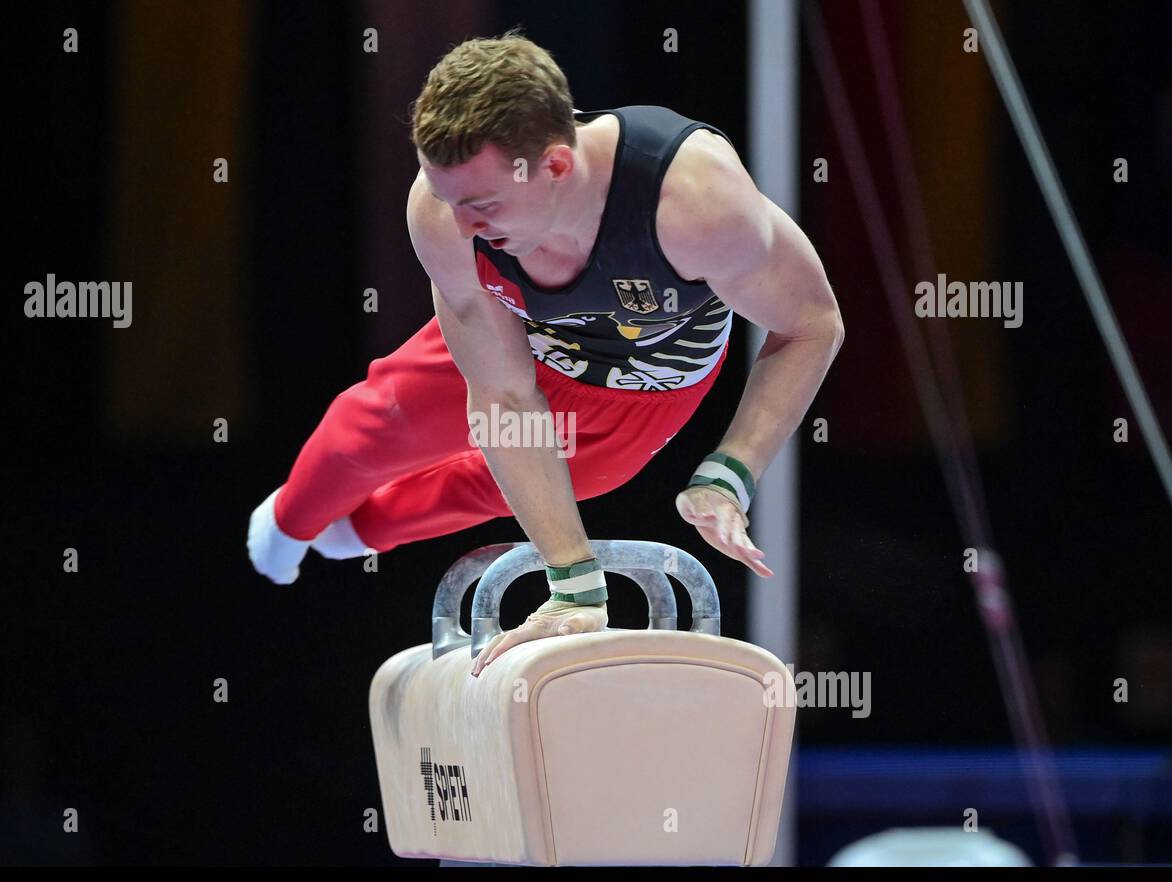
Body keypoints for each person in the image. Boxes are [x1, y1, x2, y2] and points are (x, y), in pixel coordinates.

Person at [248, 29, 843, 676]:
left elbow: (812, 324)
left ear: (555, 166)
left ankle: (360, 533)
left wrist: (732, 471)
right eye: (448, 198)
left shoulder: (696, 204)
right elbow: (504, 398)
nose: (464, 224)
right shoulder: (443, 216)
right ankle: (291, 517)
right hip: (524, 336)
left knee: (484, 489)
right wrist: (573, 583)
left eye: (482, 203)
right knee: (375, 427)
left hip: (645, 387)